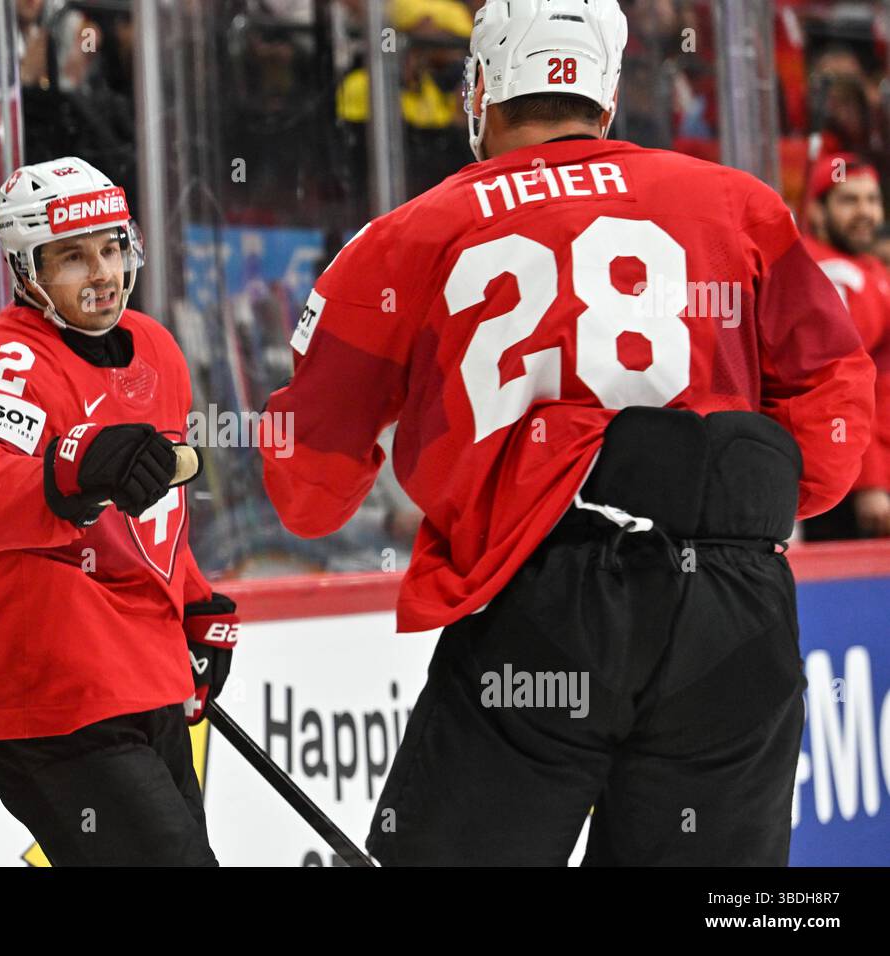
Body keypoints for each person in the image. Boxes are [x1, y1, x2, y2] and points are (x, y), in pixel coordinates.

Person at [259, 0, 875, 866]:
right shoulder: (736, 201)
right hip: (735, 603)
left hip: (543, 597)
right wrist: (733, 503)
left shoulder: (408, 235)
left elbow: (310, 493)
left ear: (481, 90)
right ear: (607, 94)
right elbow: (836, 401)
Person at [0, 157, 238, 866]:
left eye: (113, 248)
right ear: (27, 270)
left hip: (137, 668)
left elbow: (153, 519)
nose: (103, 273)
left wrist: (194, 600)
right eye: (73, 256)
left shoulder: (155, 348)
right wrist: (65, 473)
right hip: (41, 690)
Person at [801, 154, 890, 539]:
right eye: (849, 200)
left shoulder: (870, 270)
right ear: (818, 210)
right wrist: (868, 482)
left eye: (872, 199)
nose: (865, 212)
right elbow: (837, 387)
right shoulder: (826, 272)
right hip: (841, 484)